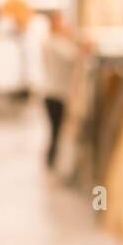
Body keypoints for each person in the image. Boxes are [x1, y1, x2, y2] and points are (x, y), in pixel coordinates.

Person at [41, 10, 79, 170]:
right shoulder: (54, 43)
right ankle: (52, 162)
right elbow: (74, 55)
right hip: (56, 93)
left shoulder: (52, 42)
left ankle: (53, 161)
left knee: (55, 131)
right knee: (56, 131)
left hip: (53, 92)